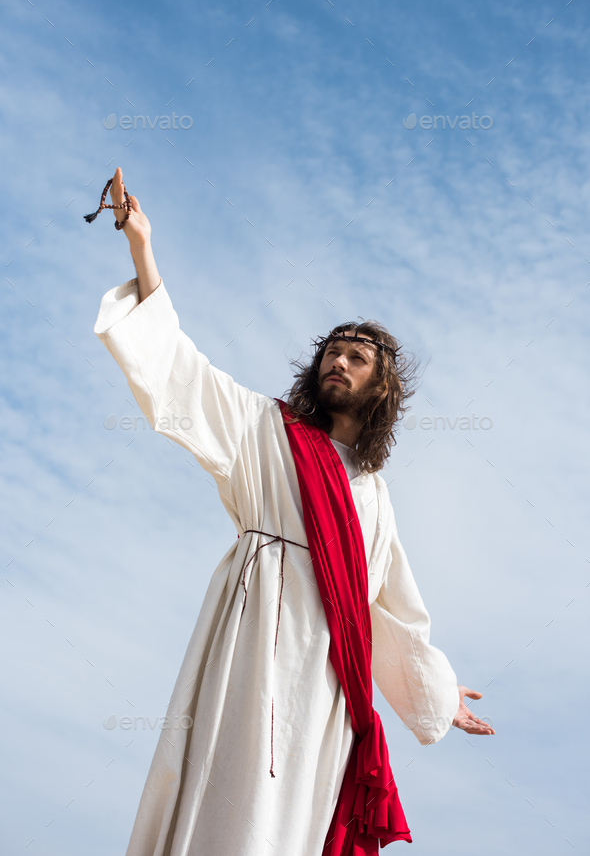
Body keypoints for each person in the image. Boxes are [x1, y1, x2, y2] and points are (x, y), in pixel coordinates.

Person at [93, 168, 494, 856]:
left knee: (294, 820)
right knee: (232, 789)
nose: (339, 361)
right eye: (333, 352)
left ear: (381, 388)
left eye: (357, 357)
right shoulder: (266, 430)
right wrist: (142, 246)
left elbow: (388, 609)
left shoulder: (373, 494)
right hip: (255, 645)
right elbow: (182, 372)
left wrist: (436, 689)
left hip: (326, 680)